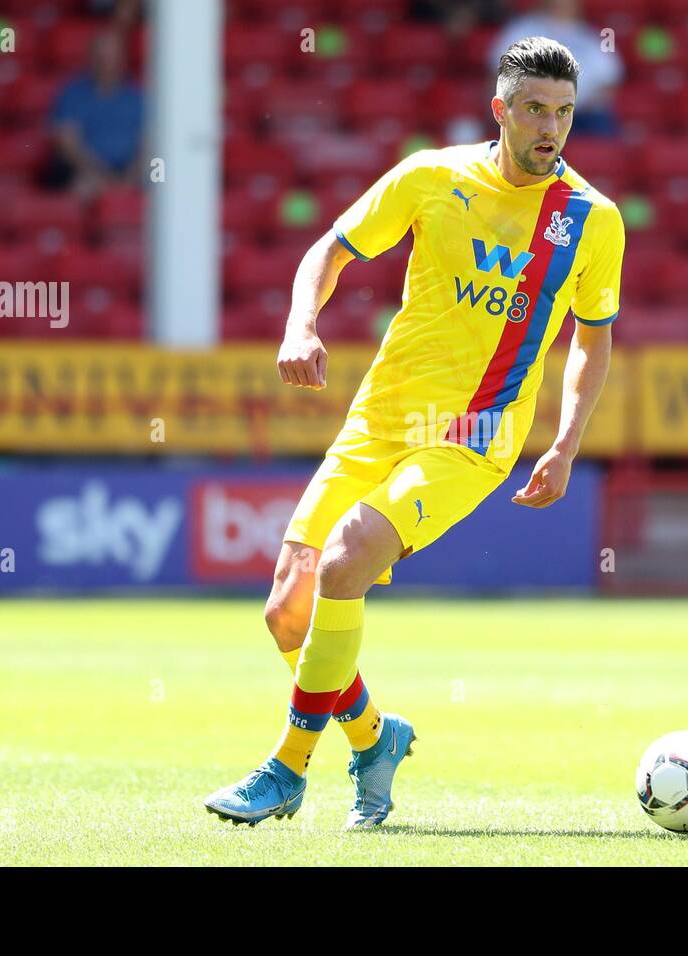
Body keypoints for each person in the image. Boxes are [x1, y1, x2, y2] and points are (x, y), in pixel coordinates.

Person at [203, 37, 624, 829]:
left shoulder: (592, 221)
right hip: (382, 414)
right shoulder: (432, 176)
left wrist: (564, 444)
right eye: (534, 109)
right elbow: (328, 249)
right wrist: (301, 325)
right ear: (499, 110)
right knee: (287, 612)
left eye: (564, 113)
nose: (551, 128)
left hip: (475, 433)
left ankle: (286, 771)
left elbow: (592, 337)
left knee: (348, 556)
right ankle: (375, 737)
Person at [488, 0, 623, 136]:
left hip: (582, 114)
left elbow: (609, 81)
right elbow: (499, 73)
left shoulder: (592, 36)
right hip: (534, 109)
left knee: (601, 126)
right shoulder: (522, 29)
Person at [42, 31, 144, 198]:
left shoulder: (137, 97)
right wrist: (102, 176)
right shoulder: (72, 94)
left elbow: (147, 144)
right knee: (82, 189)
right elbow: (68, 145)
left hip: (130, 174)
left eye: (112, 57)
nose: (106, 62)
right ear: (91, 58)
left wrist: (130, 179)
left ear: (123, 59)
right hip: (86, 173)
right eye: (101, 56)